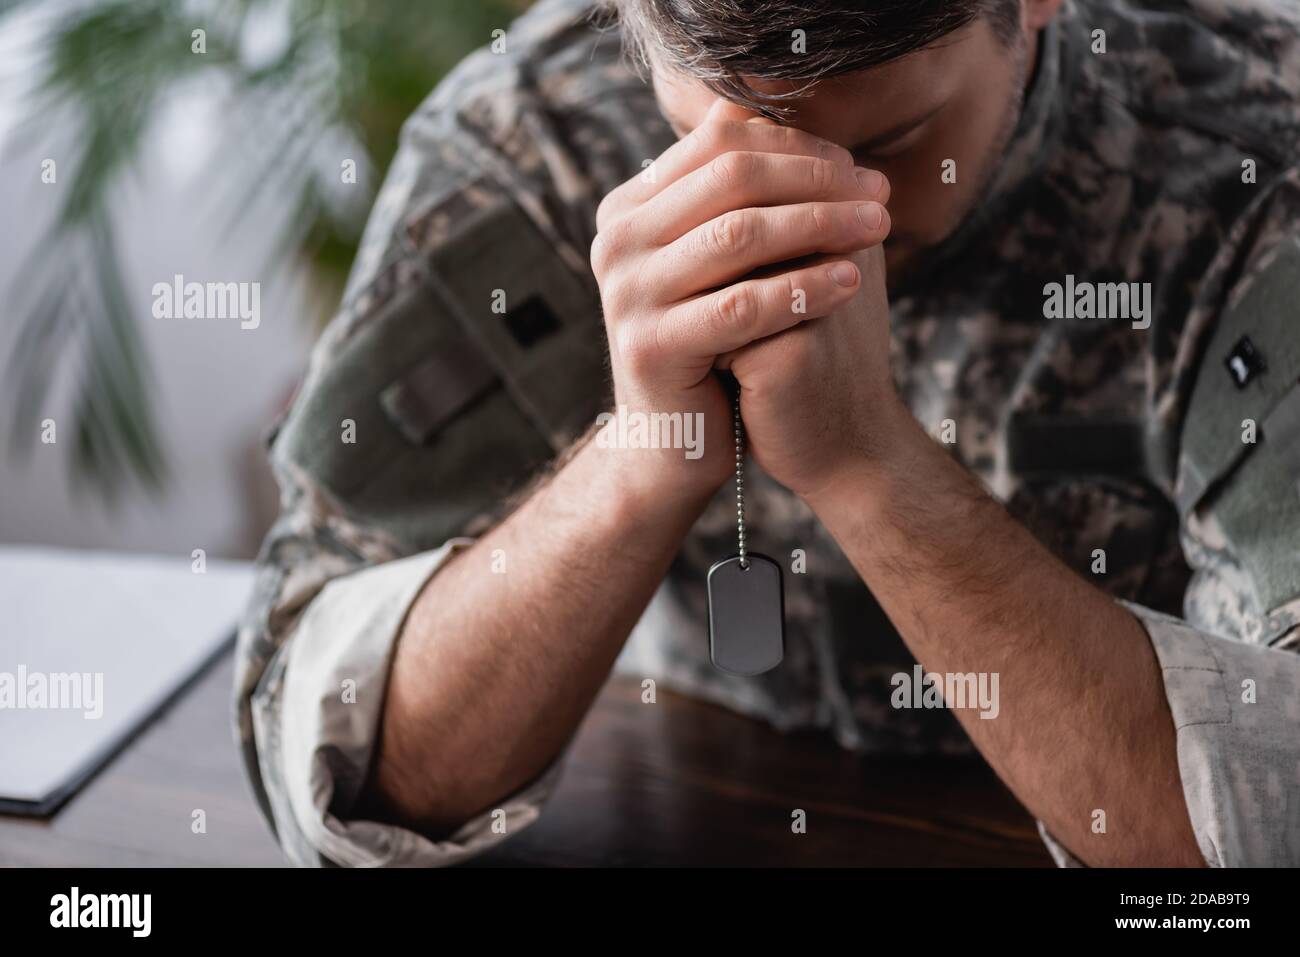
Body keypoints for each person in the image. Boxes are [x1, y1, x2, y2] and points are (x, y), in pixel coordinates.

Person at [233, 0, 1300, 867]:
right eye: (715, 142)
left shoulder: (1257, 161)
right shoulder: (535, 139)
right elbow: (323, 747)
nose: (795, 226)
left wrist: (869, 468)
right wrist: (641, 464)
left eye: (887, 146)